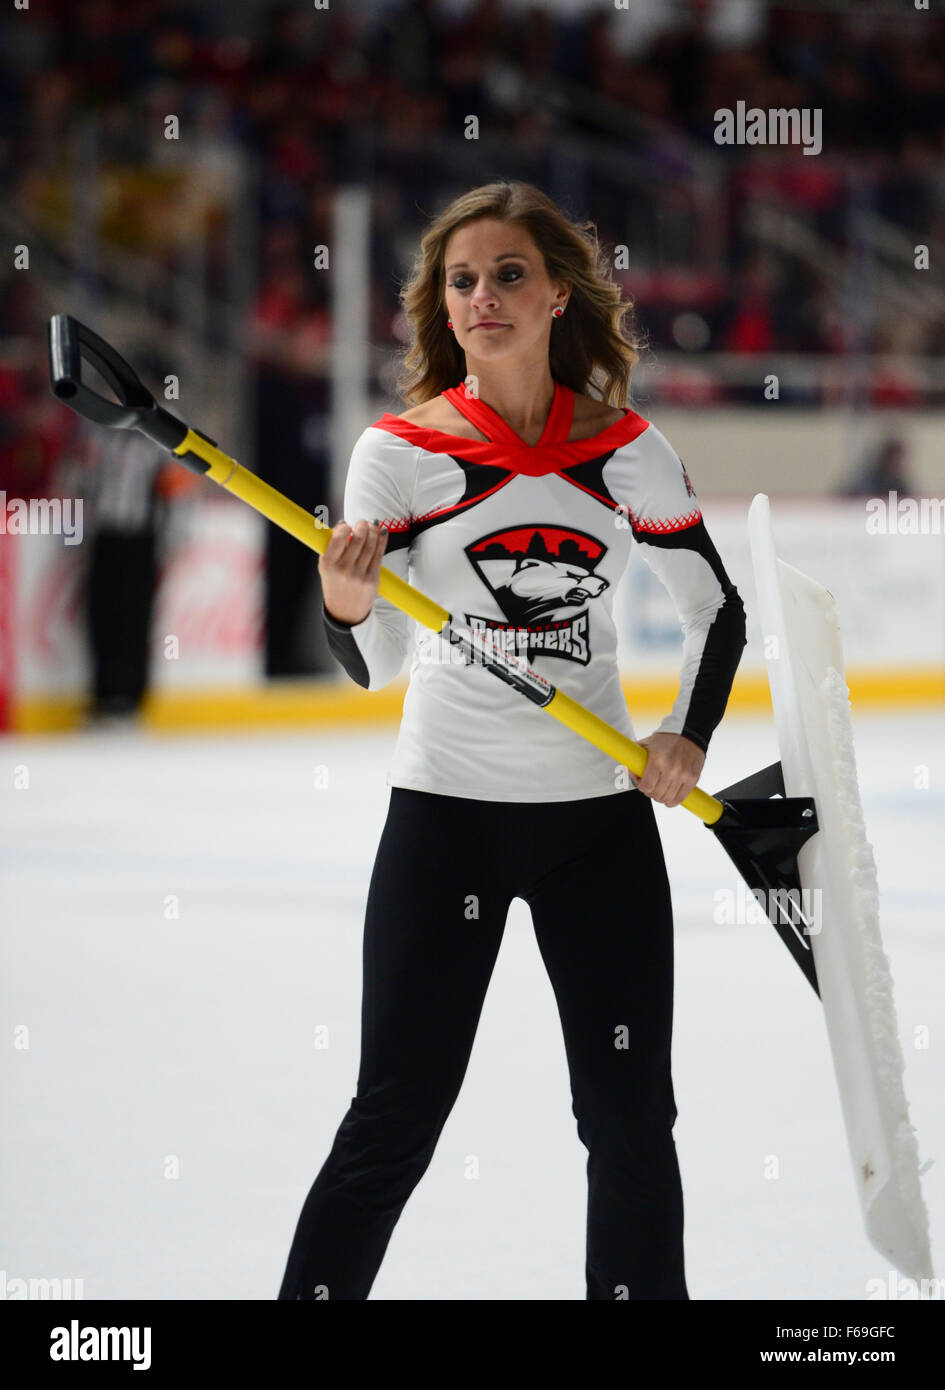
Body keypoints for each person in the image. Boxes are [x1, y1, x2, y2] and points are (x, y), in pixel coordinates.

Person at [277, 180, 747, 1301]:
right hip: (445, 821)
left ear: (558, 296)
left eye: (508, 275)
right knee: (395, 1112)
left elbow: (715, 609)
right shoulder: (395, 455)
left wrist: (687, 732)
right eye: (460, 281)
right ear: (440, 309)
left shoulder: (628, 449)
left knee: (632, 1116)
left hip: (597, 826)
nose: (482, 296)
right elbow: (378, 662)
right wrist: (347, 609)